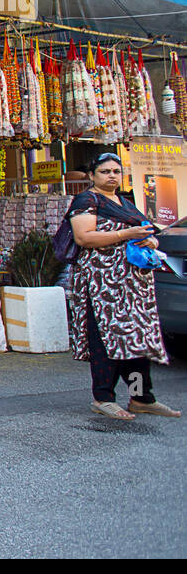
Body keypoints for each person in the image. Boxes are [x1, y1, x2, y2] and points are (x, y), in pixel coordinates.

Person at [66, 152, 179, 420]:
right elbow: (84, 237)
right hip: (102, 285)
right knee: (105, 339)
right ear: (92, 176)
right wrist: (126, 234)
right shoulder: (87, 200)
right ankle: (103, 397)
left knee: (135, 341)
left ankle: (141, 397)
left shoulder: (125, 202)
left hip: (133, 287)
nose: (112, 176)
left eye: (116, 171)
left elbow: (147, 230)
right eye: (105, 171)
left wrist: (150, 241)